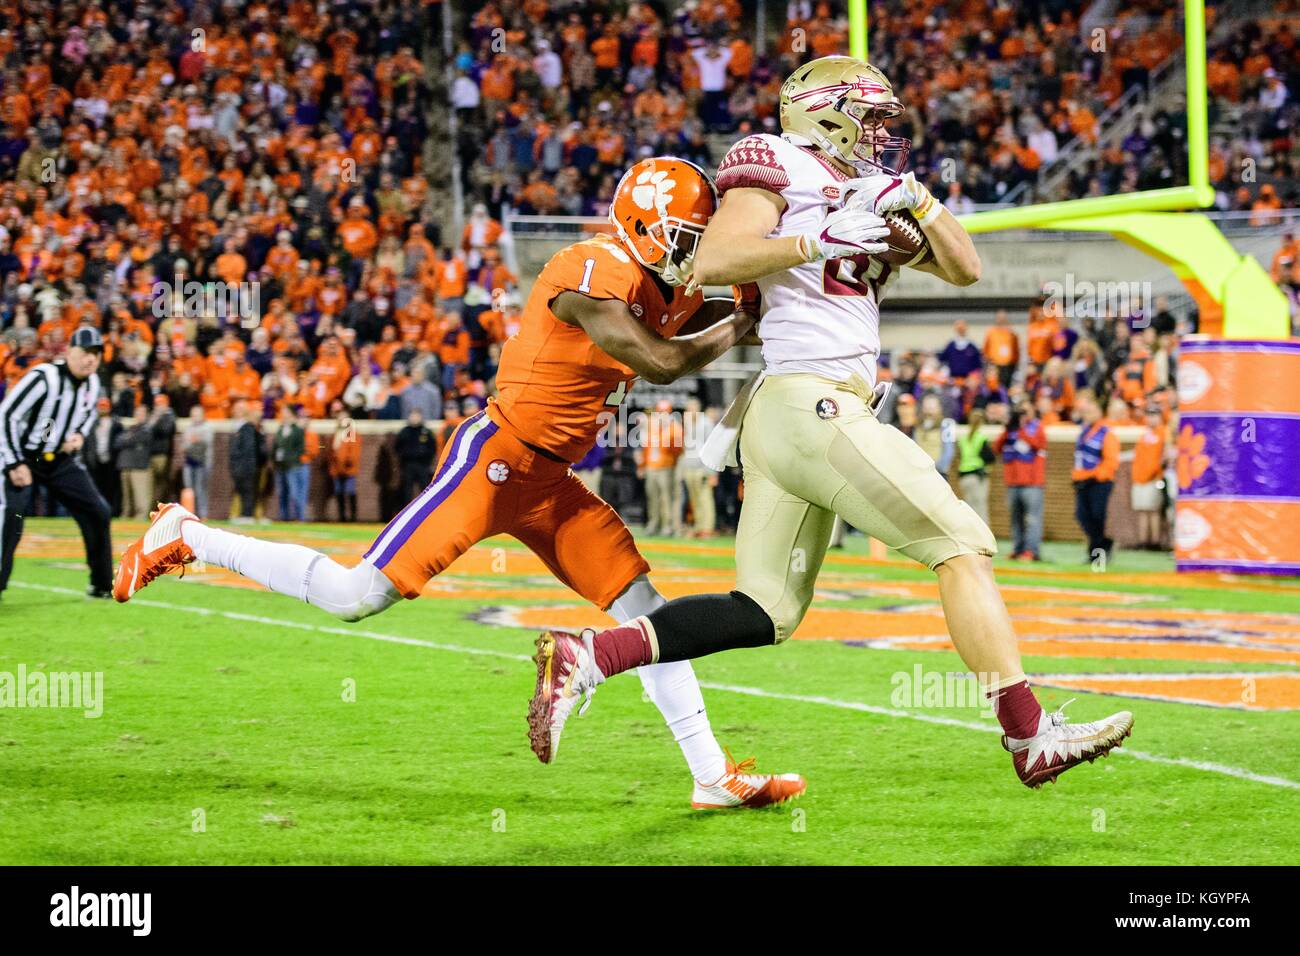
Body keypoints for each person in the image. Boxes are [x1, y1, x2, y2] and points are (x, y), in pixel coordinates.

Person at [112, 157, 801, 811]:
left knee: (646, 613)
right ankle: (192, 536)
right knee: (356, 596)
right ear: (645, 226)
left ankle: (711, 775)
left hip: (551, 482)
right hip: (494, 461)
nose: (693, 252)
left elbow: (731, 317)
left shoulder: (665, 283)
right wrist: (741, 318)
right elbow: (658, 360)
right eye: (685, 237)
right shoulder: (591, 265)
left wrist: (797, 288)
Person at [528, 57, 1132, 790]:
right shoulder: (774, 159)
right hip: (806, 399)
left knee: (767, 609)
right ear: (826, 111)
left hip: (796, 417)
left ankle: (588, 655)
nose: (882, 132)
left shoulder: (873, 188)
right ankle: (1029, 735)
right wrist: (822, 238)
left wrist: (918, 201)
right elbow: (715, 259)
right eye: (871, 117)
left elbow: (966, 269)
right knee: (962, 542)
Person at [0, 327, 113, 599]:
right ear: (69, 351)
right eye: (86, 352)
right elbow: (6, 416)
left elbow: (88, 415)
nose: (91, 360)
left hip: (58, 460)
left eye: (96, 354)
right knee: (11, 517)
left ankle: (101, 583)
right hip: (25, 456)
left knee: (98, 511)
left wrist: (79, 435)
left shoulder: (93, 383)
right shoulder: (44, 377)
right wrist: (14, 463)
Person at [993, 397, 1047, 560]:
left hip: (1032, 483)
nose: (1022, 415)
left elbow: (1039, 444)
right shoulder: (1010, 431)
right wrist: (1008, 428)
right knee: (1015, 519)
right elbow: (997, 448)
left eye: (1026, 411)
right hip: (1012, 482)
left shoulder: (1037, 427)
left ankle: (1031, 551)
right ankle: (1018, 549)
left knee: (1032, 519)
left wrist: (1021, 429)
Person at [1071, 388, 1120, 563]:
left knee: (1098, 517)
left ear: (1100, 412)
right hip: (1083, 482)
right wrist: (1076, 477)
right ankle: (1098, 548)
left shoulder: (1106, 433)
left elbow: (1111, 461)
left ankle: (1098, 552)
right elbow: (1079, 458)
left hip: (1099, 483)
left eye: (1091, 411)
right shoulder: (1084, 432)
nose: (1087, 415)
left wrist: (1095, 476)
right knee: (1083, 517)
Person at [639, 399, 683, 537]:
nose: (662, 415)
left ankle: (667, 525)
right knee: (652, 497)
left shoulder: (674, 427)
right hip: (652, 466)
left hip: (666, 467)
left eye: (665, 412)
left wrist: (672, 462)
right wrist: (643, 465)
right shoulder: (652, 426)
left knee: (666, 497)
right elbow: (646, 448)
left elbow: (678, 449)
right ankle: (653, 524)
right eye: (660, 412)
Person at [1130, 404, 1168, 550]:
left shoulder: (1163, 434)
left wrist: (1155, 473)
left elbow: (1161, 458)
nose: (1151, 418)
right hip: (1139, 477)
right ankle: (1142, 541)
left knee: (1153, 511)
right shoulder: (1145, 434)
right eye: (1149, 415)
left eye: (1154, 415)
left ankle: (1155, 541)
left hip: (1154, 478)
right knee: (1142, 511)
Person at [678, 397, 717, 537]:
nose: (690, 410)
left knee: (705, 498)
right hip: (690, 466)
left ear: (698, 408)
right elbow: (685, 447)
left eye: (692, 407)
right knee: (694, 499)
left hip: (702, 467)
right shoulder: (687, 423)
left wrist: (711, 472)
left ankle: (707, 528)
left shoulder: (706, 423)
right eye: (688, 408)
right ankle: (699, 526)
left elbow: (712, 446)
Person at [955, 407, 995, 526]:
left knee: (969, 507)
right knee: (980, 508)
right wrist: (987, 470)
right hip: (977, 476)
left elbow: (960, 457)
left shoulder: (963, 439)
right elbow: (991, 458)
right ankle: (984, 539)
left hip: (964, 476)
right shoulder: (980, 438)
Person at [115, 405, 154, 520]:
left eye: (142, 413)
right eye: (137, 413)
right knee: (127, 497)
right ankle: (126, 516)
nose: (139, 416)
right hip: (126, 465)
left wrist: (127, 440)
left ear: (146, 415)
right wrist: (130, 441)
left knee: (141, 496)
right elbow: (117, 442)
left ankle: (141, 518)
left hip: (140, 467)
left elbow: (139, 439)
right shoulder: (130, 428)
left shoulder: (148, 429)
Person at [228, 402, 265, 523]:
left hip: (245, 466)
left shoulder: (247, 428)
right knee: (243, 490)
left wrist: (242, 465)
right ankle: (244, 514)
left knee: (247, 490)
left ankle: (247, 515)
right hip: (243, 466)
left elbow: (248, 450)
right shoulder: (243, 427)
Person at [272, 405, 307, 521]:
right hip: (280, 465)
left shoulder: (297, 430)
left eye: (285, 412)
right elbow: (276, 446)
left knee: (294, 493)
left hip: (292, 466)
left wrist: (290, 459)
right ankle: (284, 517)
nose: (283, 414)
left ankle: (298, 517)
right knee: (282, 493)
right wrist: (274, 460)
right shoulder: (281, 429)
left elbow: (300, 449)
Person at [394, 409, 437, 505]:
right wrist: (404, 457)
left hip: (423, 465)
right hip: (408, 465)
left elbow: (432, 448)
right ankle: (405, 513)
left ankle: (426, 512)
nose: (414, 418)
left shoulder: (426, 432)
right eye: (412, 416)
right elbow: (397, 448)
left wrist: (427, 459)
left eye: (417, 416)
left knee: (425, 490)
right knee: (406, 491)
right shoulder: (404, 432)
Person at [181, 406, 214, 519]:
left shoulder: (207, 427)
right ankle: (189, 513)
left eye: (197, 415)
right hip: (189, 462)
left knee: (200, 489)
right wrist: (194, 442)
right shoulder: (189, 428)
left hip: (202, 462)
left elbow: (204, 444)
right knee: (189, 489)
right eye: (193, 415)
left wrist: (194, 442)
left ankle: (203, 514)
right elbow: (184, 446)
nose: (195, 417)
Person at [329, 415, 361, 522]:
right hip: (337, 469)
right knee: (339, 493)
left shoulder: (352, 434)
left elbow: (354, 453)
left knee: (350, 491)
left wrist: (347, 462)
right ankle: (342, 517)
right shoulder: (336, 434)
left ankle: (353, 517)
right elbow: (331, 451)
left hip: (348, 469)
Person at [148, 396, 176, 504]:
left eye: (160, 404)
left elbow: (166, 430)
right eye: (156, 404)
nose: (157, 406)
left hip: (162, 454)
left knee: (161, 483)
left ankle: (157, 505)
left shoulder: (169, 416)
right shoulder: (153, 416)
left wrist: (156, 420)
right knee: (151, 483)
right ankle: (153, 506)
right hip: (151, 454)